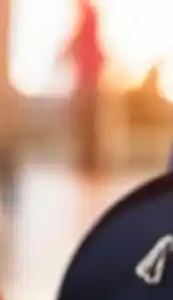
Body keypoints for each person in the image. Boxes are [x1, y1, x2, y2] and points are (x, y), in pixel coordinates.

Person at [65, 0, 106, 175]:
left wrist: (67, 50)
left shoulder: (87, 13)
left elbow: (80, 38)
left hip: (88, 76)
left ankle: (90, 162)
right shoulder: (87, 13)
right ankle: (88, 161)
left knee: (88, 121)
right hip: (87, 75)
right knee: (86, 121)